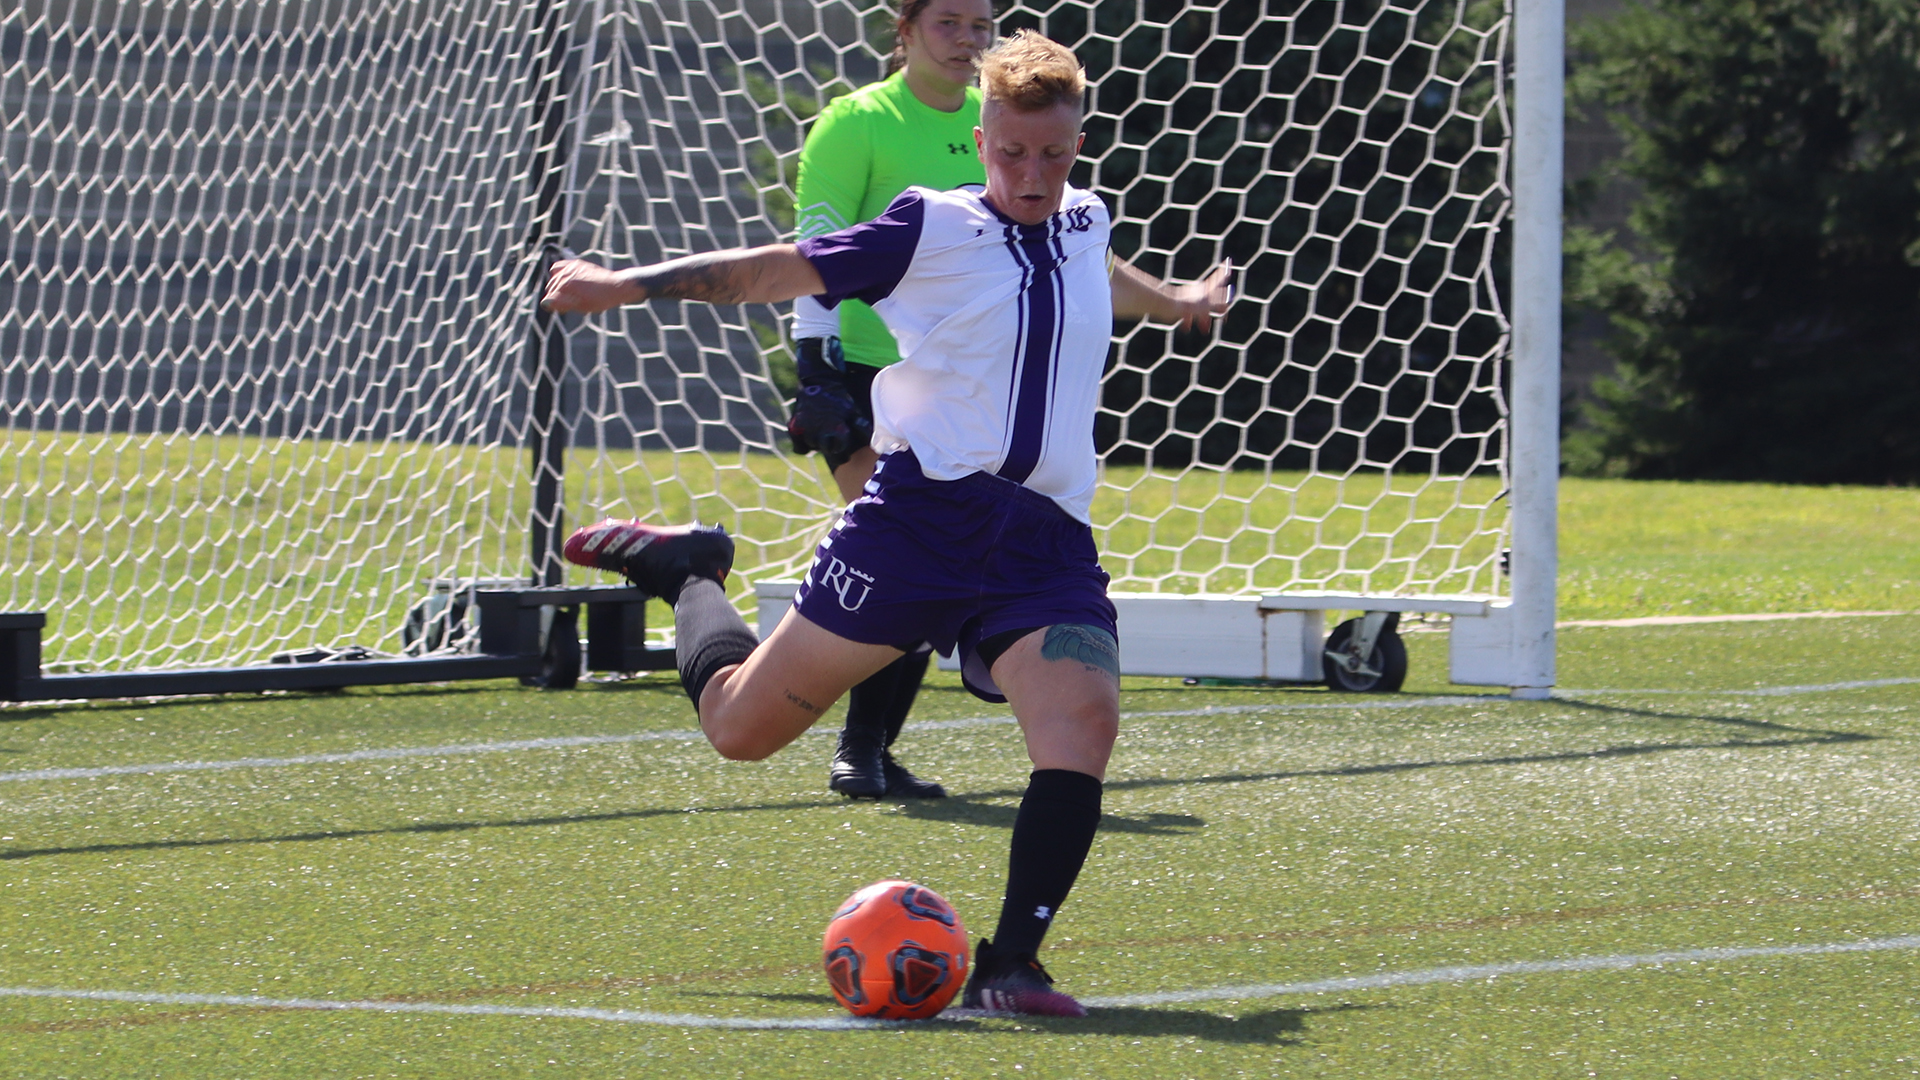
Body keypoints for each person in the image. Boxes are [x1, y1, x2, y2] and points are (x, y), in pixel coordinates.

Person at [543, 30, 1231, 1018]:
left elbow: (1100, 269)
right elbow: (772, 268)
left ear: (1078, 143)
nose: (1033, 176)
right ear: (980, 138)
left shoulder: (1082, 218)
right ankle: (689, 572)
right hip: (917, 523)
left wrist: (1181, 302)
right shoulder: (927, 229)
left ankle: (1010, 966)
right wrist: (624, 287)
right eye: (1012, 153)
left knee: (1083, 722)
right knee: (738, 729)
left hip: (1041, 541)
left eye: (1054, 154)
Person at [784, 0, 996, 802]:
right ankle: (860, 750)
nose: (968, 41)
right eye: (948, 22)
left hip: (967, 386)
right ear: (903, 30)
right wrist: (816, 373)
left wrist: (1168, 298)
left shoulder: (999, 127)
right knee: (908, 558)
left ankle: (867, 748)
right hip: (866, 379)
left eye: (982, 25)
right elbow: (816, 250)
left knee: (933, 565)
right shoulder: (855, 124)